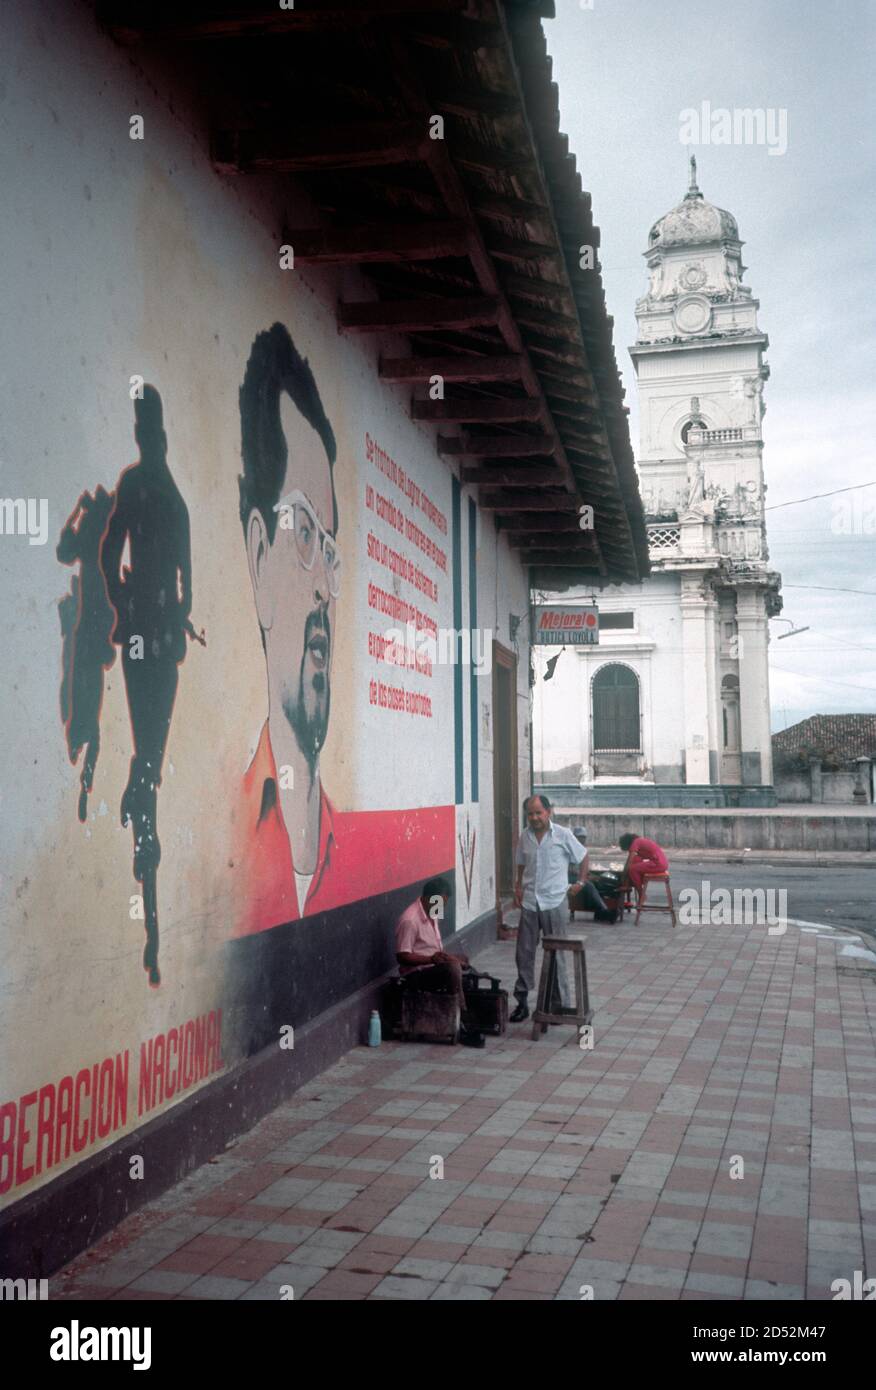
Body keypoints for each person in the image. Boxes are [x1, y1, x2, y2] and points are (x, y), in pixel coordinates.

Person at [511, 794, 615, 1024]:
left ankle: (558, 1005)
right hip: (530, 902)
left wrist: (581, 882)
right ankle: (521, 1002)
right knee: (524, 954)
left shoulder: (563, 835)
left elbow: (583, 856)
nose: (535, 817)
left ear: (549, 811)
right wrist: (518, 886)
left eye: (539, 812)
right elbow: (520, 864)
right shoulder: (524, 837)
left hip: (555, 902)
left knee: (557, 953)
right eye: (530, 813)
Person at [395, 878, 484, 1047]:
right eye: (439, 902)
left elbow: (433, 947)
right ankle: (463, 1019)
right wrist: (432, 959)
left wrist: (448, 957)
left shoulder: (433, 910)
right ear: (428, 898)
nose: (441, 908)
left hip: (433, 965)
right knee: (452, 969)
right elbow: (402, 956)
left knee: (461, 960)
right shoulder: (410, 920)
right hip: (415, 975)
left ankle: (463, 1014)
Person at [618, 832, 669, 897]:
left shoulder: (635, 843)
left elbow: (629, 862)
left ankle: (641, 894)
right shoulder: (639, 841)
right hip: (661, 863)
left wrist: (623, 876)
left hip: (659, 864)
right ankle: (627, 884)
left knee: (632, 869)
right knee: (635, 861)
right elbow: (633, 860)